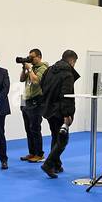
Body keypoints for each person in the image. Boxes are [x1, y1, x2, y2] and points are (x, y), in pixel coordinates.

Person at [39, 50, 80, 179]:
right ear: (72, 61)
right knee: (62, 140)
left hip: (48, 109)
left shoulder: (49, 70)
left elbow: (42, 85)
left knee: (55, 137)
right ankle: (48, 164)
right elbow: (66, 95)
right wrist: (67, 114)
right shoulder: (68, 74)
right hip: (60, 111)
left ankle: (56, 164)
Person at [18, 48, 49, 162]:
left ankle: (39, 154)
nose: (30, 59)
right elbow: (21, 79)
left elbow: (36, 81)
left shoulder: (43, 68)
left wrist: (30, 69)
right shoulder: (31, 68)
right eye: (29, 57)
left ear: (39, 57)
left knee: (35, 128)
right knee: (28, 129)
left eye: (32, 57)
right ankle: (32, 152)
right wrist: (24, 68)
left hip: (36, 101)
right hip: (26, 100)